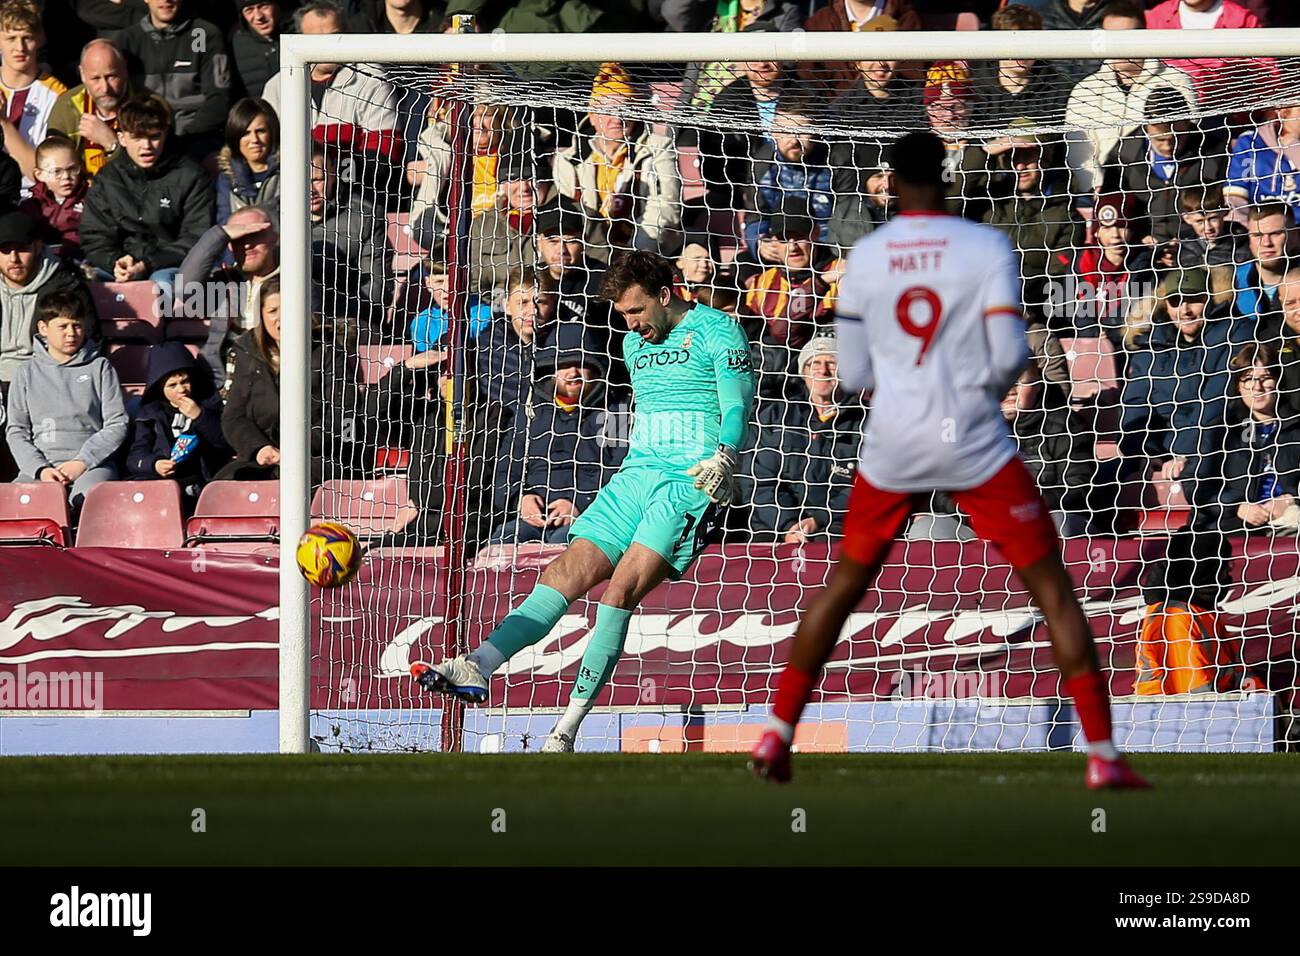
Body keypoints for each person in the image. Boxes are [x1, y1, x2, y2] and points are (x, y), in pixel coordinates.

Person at [749, 130, 1148, 789]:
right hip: (969, 435)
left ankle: (778, 734)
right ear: (945, 175)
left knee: (844, 584)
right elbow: (1005, 353)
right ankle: (1103, 756)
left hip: (896, 436)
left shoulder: (868, 256)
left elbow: (849, 371)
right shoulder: (985, 245)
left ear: (892, 183)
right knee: (1052, 589)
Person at [413, 250, 756, 753]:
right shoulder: (633, 344)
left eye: (637, 311)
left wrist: (725, 454)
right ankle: (478, 664)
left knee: (617, 594)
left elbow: (736, 401)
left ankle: (565, 730)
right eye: (623, 315)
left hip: (689, 481)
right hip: (635, 476)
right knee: (564, 573)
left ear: (666, 296)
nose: (631, 324)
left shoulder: (717, 330)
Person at [487, 322, 627, 546]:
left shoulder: (615, 410)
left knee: (569, 549)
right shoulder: (530, 410)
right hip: (532, 518)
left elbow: (621, 469)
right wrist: (519, 501)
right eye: (564, 364)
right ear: (551, 367)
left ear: (597, 367)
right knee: (502, 543)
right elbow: (506, 467)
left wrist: (581, 502)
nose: (572, 372)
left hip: (590, 516)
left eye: (581, 364)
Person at [79, 94, 214, 302]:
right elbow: (94, 236)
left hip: (169, 267)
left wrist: (148, 263)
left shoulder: (190, 176)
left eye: (154, 137)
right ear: (122, 138)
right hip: (116, 267)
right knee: (81, 288)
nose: (146, 146)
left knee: (159, 288)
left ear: (165, 134)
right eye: (137, 138)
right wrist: (115, 261)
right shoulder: (107, 179)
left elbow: (196, 237)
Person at [1062, 2, 1197, 206]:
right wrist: (1103, 187)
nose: (1120, 47)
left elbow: (1186, 140)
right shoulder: (1086, 89)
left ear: (1143, 36)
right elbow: (1079, 154)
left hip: (1164, 187)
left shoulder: (1176, 81)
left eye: (1127, 37)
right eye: (1113, 38)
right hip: (1101, 193)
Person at [738, 331, 866, 543]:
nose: (823, 371)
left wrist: (819, 519)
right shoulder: (775, 417)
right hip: (776, 529)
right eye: (814, 363)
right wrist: (788, 525)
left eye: (831, 363)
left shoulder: (865, 423)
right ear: (803, 371)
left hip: (838, 528)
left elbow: (865, 488)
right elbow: (758, 483)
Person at [4, 290, 126, 512]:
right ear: (43, 328)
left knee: (90, 502)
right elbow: (16, 431)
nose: (71, 333)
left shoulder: (100, 367)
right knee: (15, 504)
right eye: (63, 326)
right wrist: (40, 470)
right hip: (41, 468)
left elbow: (117, 423)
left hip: (91, 467)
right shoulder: (25, 373)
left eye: (77, 325)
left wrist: (82, 462)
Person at [552, 63, 682, 256]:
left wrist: (633, 255)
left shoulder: (658, 148)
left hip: (645, 252)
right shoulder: (568, 159)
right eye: (607, 110)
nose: (617, 118)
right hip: (588, 257)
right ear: (592, 116)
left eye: (624, 108)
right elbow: (569, 217)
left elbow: (665, 209)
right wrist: (598, 256)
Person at [1134, 528, 1264, 695]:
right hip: (1172, 716)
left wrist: (1264, 700)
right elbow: (1194, 699)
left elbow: (1239, 671)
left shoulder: (1202, 611)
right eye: (1225, 565)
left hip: (1217, 708)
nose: (1228, 573)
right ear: (1208, 569)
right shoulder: (1175, 618)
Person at [0, 209, 98, 397]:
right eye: (5, 251)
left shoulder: (66, 287)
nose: (14, 259)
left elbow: (89, 342)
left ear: (37, 247)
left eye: (21, 249)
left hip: (47, 384)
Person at [116, 0, 231, 158]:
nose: (165, 0)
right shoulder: (128, 40)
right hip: (145, 139)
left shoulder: (204, 34)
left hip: (196, 139)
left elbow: (218, 99)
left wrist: (185, 138)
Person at [184, 204, 280, 393]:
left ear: (274, 238)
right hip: (221, 384)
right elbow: (184, 288)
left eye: (256, 234)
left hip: (271, 385)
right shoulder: (223, 282)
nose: (247, 245)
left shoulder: (296, 283)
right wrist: (220, 234)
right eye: (239, 238)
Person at [1206, 343, 1300, 533]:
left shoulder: (1296, 427)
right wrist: (1237, 507)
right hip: (1229, 526)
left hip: (1286, 522)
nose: (1257, 387)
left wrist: (1291, 498)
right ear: (1238, 386)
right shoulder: (1222, 430)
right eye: (1248, 379)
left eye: (1265, 378)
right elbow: (1197, 485)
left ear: (1278, 381)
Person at [125, 340, 233, 503]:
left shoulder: (209, 405)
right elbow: (135, 456)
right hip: (162, 483)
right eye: (172, 385)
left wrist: (200, 416)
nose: (181, 389)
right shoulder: (150, 413)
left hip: (201, 480)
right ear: (160, 388)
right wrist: (154, 465)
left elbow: (224, 443)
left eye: (185, 381)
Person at [969, 5, 1073, 129]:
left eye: (1028, 44)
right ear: (997, 44)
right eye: (1013, 45)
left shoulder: (1059, 89)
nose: (1021, 52)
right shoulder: (974, 88)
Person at [0, 0, 69, 186]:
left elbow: (44, 176)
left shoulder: (58, 96)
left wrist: (4, 124)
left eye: (27, 38)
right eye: (11, 38)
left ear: (39, 38)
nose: (20, 48)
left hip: (30, 200)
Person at [47, 39, 133, 182]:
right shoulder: (67, 106)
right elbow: (54, 172)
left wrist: (112, 144)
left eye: (111, 77)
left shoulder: (147, 106)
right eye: (95, 78)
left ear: (125, 69)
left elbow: (151, 172)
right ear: (82, 74)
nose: (105, 88)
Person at [20, 136, 89, 262]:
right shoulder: (32, 205)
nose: (66, 177)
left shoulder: (90, 200)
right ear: (39, 174)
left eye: (72, 169)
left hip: (81, 258)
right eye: (56, 171)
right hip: (42, 260)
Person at [1225, 103, 1300, 217]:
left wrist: (1293, 146)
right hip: (1260, 224)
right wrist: (1248, 225)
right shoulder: (1250, 142)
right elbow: (1236, 193)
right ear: (1283, 111)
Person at [215, 98, 280, 225]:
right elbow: (225, 224)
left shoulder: (290, 171)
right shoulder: (227, 179)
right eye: (246, 133)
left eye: (260, 131)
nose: (254, 139)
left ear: (272, 133)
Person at [1176, 183, 1250, 269]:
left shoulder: (1243, 245)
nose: (1208, 227)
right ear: (1187, 219)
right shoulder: (1181, 247)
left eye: (1213, 219)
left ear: (1225, 211)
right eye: (1199, 222)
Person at [230, 0, 283, 101]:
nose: (259, 16)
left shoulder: (296, 34)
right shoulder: (234, 45)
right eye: (249, 10)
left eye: (264, 7)